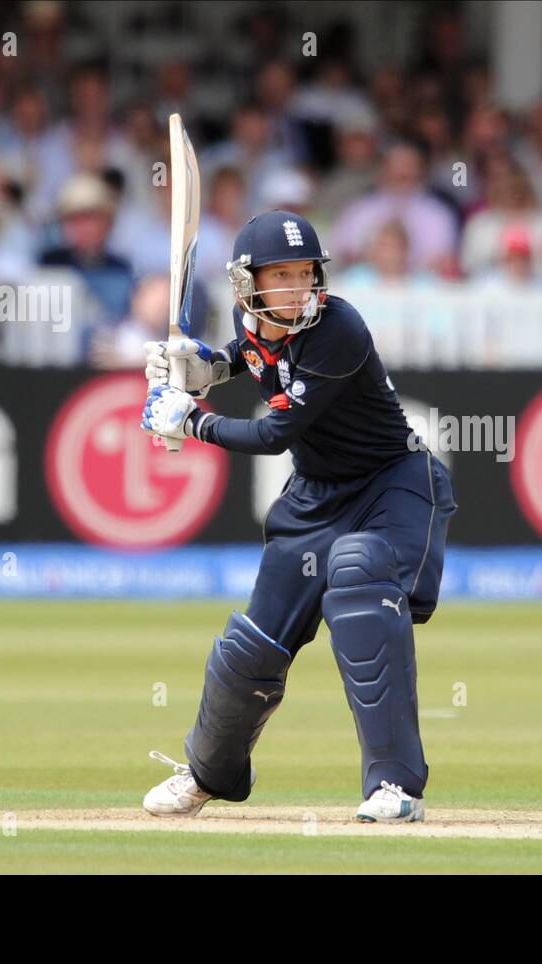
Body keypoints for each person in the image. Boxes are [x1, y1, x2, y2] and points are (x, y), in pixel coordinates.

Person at [138, 210, 457, 823]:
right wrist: (213, 365)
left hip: (390, 486)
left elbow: (275, 433)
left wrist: (192, 419)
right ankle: (208, 775)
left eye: (305, 273)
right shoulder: (248, 316)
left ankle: (394, 786)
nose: (296, 287)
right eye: (280, 274)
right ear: (247, 284)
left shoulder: (338, 328)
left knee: (358, 574)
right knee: (252, 645)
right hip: (315, 496)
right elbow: (252, 352)